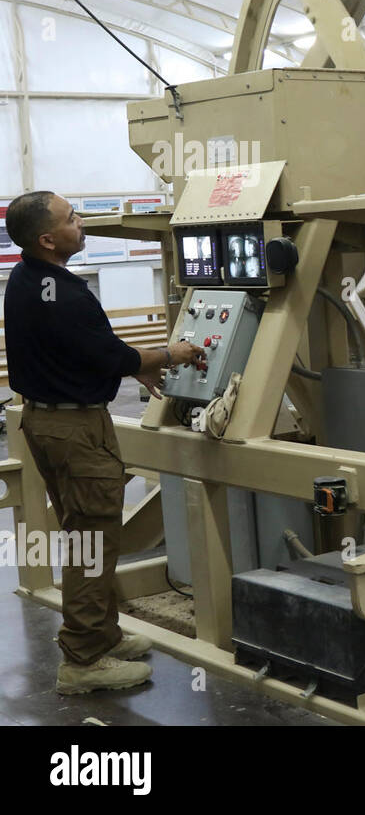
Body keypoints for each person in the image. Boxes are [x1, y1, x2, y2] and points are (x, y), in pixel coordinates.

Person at [3, 191, 205, 695]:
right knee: (92, 541)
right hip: (76, 431)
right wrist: (173, 353)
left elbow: (81, 355)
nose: (81, 223)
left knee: (85, 533)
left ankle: (101, 633)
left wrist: (140, 366)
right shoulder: (66, 294)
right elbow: (112, 357)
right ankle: (83, 661)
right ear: (48, 239)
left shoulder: (28, 279)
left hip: (47, 422)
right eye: (72, 219)